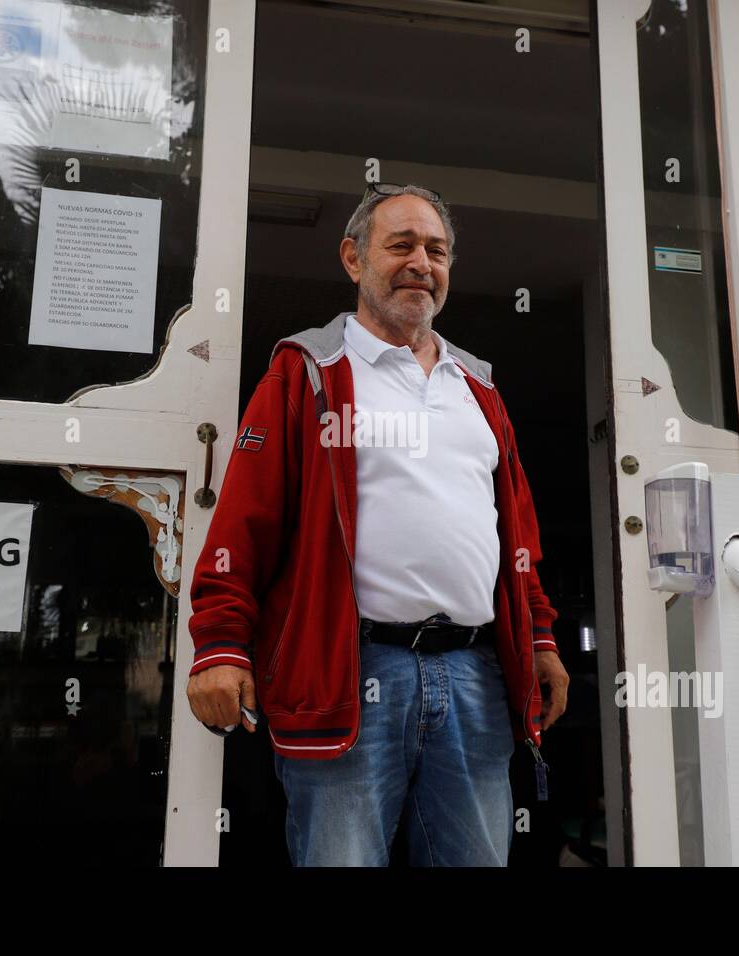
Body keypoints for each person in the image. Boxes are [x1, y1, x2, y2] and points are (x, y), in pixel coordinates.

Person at [185, 182, 569, 866]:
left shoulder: (477, 387)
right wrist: (220, 645)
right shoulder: (307, 372)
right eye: (402, 245)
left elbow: (518, 539)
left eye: (437, 250)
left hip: (477, 675)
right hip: (350, 670)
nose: (422, 261)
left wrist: (538, 636)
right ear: (353, 260)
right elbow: (244, 522)